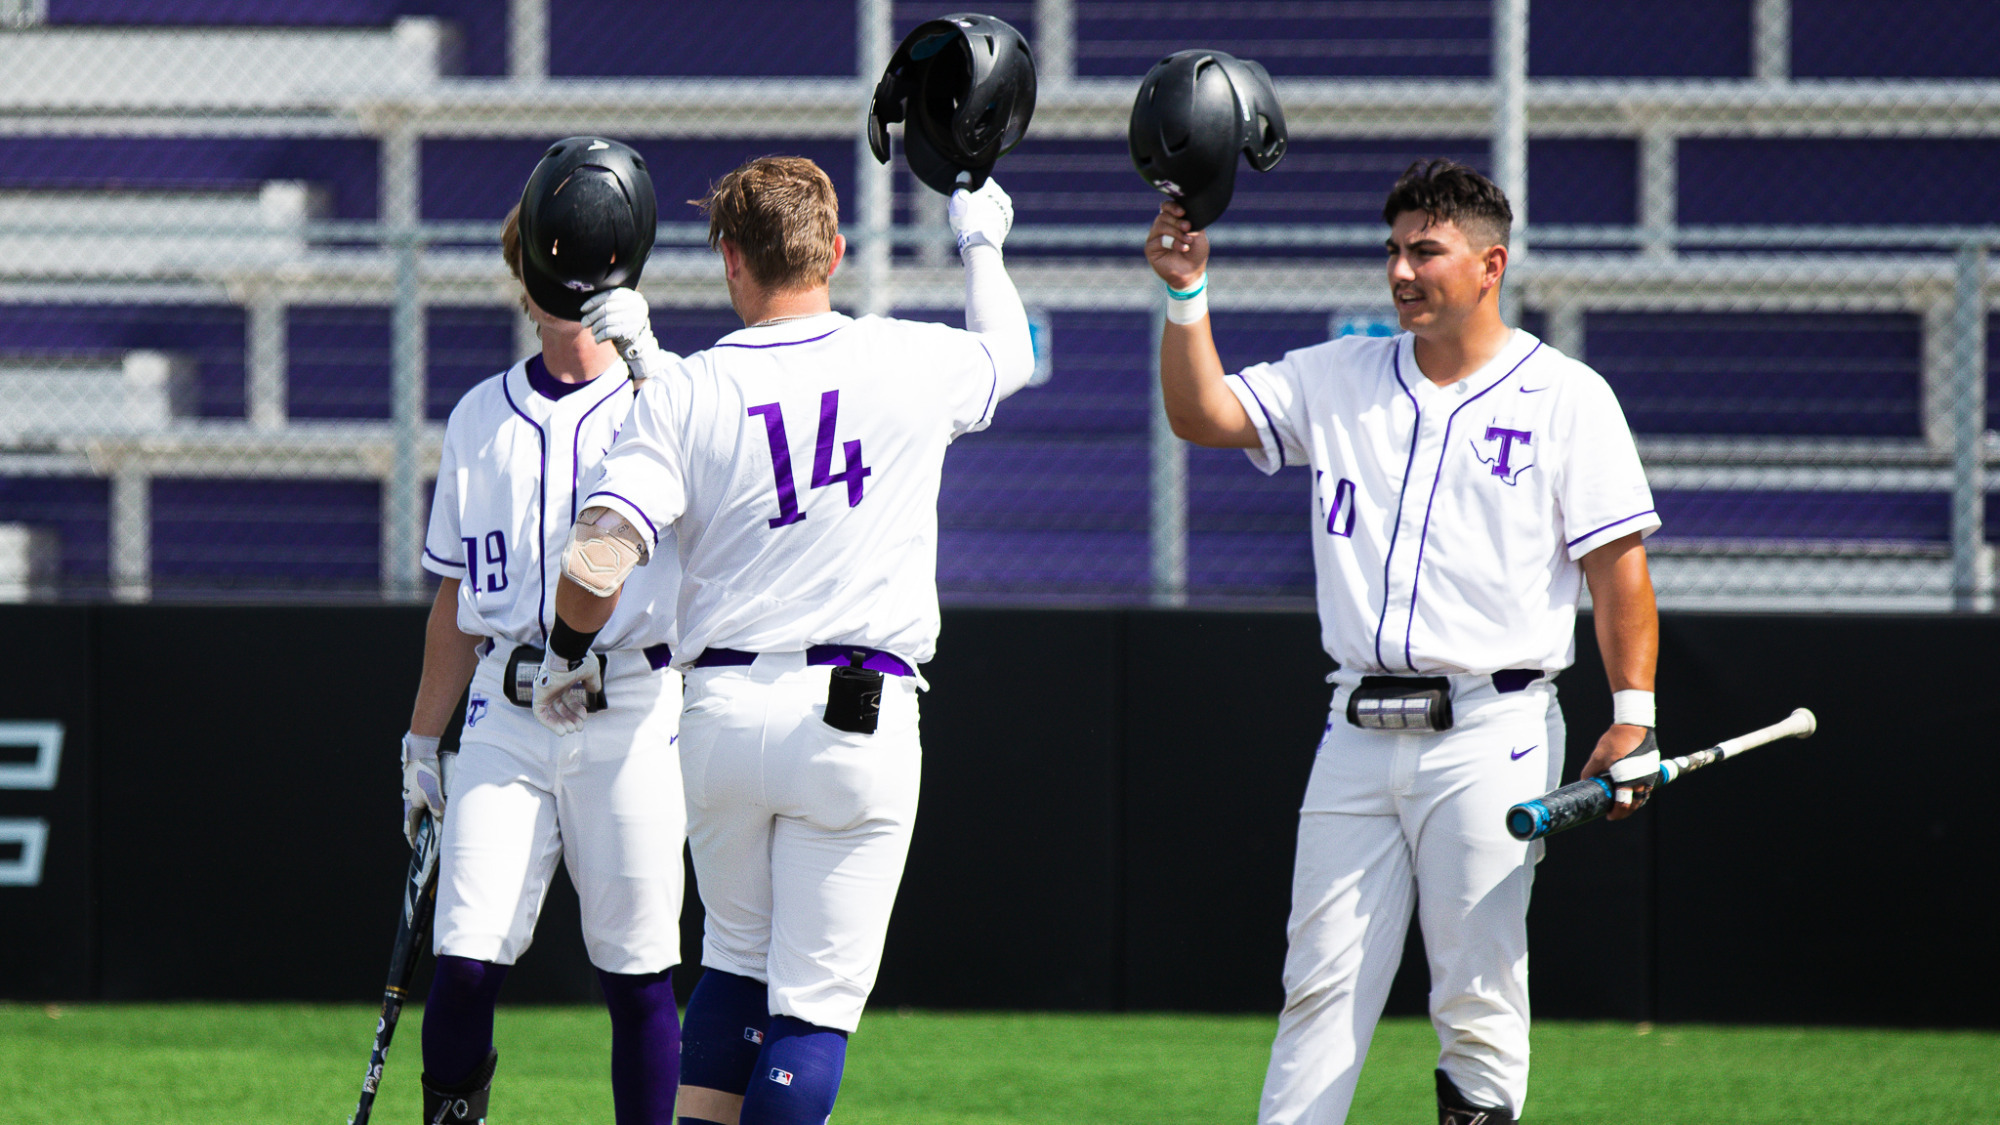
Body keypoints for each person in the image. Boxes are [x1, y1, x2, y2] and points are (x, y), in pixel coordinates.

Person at [1142, 158, 1665, 1125]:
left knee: (1476, 988)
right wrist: (1186, 294)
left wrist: (1633, 715)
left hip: (1493, 729)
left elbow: (1618, 570)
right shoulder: (1337, 373)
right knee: (1318, 985)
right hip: (1354, 725)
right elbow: (1199, 414)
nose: (1400, 270)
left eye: (1426, 250)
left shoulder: (1567, 396)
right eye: (1393, 249)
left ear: (1490, 265)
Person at [526, 155, 1034, 1125]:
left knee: (733, 968)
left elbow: (596, 562)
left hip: (718, 715)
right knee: (811, 1010)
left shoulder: (686, 389)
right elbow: (1011, 352)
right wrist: (979, 240)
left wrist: (562, 655)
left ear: (729, 258)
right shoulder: (904, 357)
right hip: (853, 712)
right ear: (833, 251)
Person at [399, 137, 687, 1125]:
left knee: (639, 973)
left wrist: (650, 364)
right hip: (507, 706)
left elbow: (710, 479)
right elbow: (455, 602)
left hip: (630, 700)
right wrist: (420, 741)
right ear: (521, 277)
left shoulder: (661, 396)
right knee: (464, 956)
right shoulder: (479, 417)